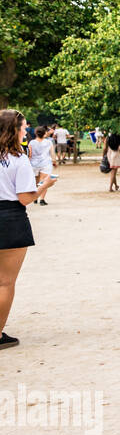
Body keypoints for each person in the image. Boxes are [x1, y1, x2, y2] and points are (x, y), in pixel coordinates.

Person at [0, 110, 37, 350]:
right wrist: (43, 186)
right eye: (22, 128)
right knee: (5, 282)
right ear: (13, 131)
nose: (25, 132)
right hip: (9, 218)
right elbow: (24, 198)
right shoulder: (18, 158)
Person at [26, 127, 57, 206]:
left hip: (34, 164)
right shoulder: (48, 142)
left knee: (35, 182)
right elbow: (52, 153)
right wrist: (54, 161)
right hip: (45, 163)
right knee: (43, 181)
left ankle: (35, 198)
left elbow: (29, 154)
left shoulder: (31, 142)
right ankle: (42, 199)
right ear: (44, 133)